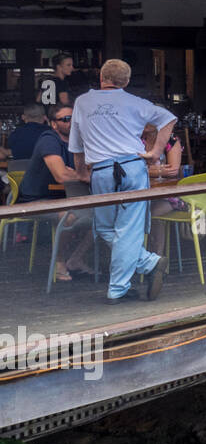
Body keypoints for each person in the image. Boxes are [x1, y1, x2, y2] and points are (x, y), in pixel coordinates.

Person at [68, 58, 174, 304]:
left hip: (102, 170)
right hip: (133, 168)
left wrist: (81, 171)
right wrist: (156, 152)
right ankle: (148, 262)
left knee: (105, 227)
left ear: (101, 77)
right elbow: (168, 118)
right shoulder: (135, 102)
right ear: (126, 82)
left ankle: (119, 288)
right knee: (128, 229)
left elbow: (76, 143)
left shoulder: (83, 102)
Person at [18, 105, 92, 281]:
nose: (71, 123)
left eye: (74, 119)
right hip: (36, 199)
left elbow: (91, 170)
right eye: (65, 120)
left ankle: (76, 258)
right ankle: (58, 261)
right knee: (70, 216)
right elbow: (61, 176)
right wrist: (79, 174)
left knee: (105, 214)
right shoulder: (49, 140)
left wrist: (77, 174)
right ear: (53, 124)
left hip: (63, 198)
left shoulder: (80, 141)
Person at [143, 122, 184, 254]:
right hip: (142, 192)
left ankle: (157, 256)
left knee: (152, 213)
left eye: (150, 119)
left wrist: (147, 170)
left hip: (169, 196)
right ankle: (145, 254)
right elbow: (128, 169)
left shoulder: (171, 140)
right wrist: (159, 170)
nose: (145, 122)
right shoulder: (136, 139)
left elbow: (172, 171)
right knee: (136, 212)